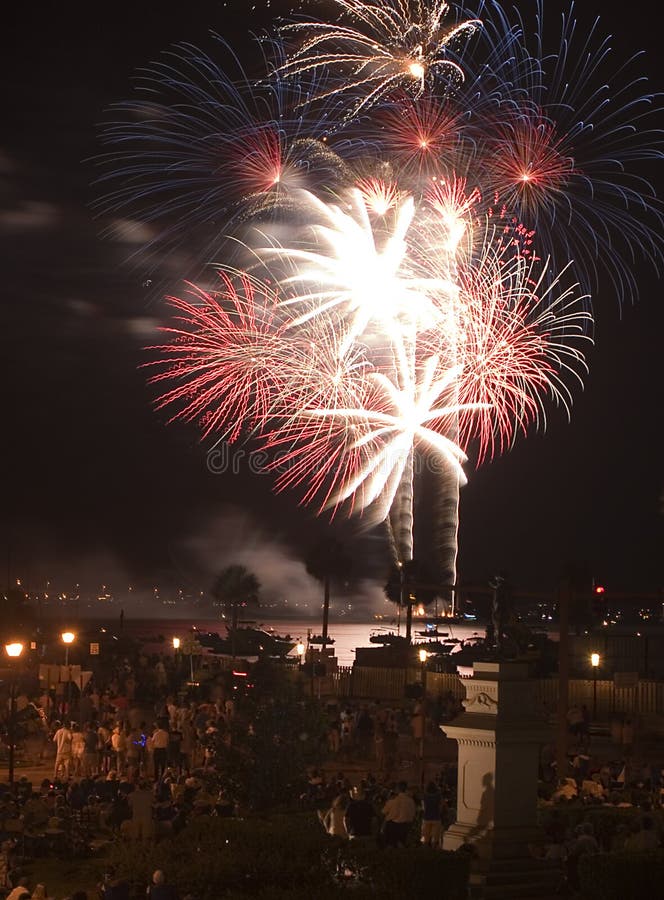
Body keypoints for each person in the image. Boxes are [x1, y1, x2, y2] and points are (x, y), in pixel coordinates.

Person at [381, 781, 416, 847]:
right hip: (407, 826)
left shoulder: (393, 800)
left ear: (397, 789)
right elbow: (413, 814)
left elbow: (384, 812)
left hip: (394, 826)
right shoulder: (411, 801)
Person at [421, 781, 443, 847]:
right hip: (436, 817)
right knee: (435, 838)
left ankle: (425, 851)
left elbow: (423, 807)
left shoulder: (425, 796)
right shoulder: (439, 795)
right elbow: (440, 806)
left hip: (426, 817)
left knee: (425, 838)